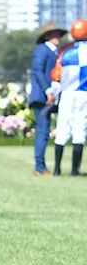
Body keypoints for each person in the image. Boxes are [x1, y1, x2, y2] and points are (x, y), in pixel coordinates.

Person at [50, 19, 87, 175]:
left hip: (66, 95)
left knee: (62, 129)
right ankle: (74, 170)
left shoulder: (65, 53)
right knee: (80, 131)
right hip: (84, 94)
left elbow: (56, 76)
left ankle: (57, 169)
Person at [30, 22, 66, 177]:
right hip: (42, 97)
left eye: (58, 34)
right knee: (43, 131)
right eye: (54, 34)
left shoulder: (54, 52)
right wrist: (47, 90)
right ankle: (39, 167)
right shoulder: (42, 50)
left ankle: (41, 166)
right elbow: (38, 71)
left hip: (52, 95)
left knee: (46, 131)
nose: (57, 37)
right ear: (47, 36)